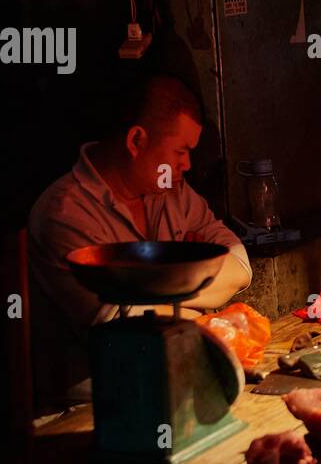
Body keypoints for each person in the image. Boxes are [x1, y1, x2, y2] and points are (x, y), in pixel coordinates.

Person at [28, 73, 252, 409]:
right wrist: (199, 301)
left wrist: (163, 298)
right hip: (89, 407)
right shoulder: (64, 213)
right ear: (136, 141)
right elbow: (118, 320)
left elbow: (239, 266)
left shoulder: (171, 193)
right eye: (181, 151)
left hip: (178, 382)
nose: (187, 165)